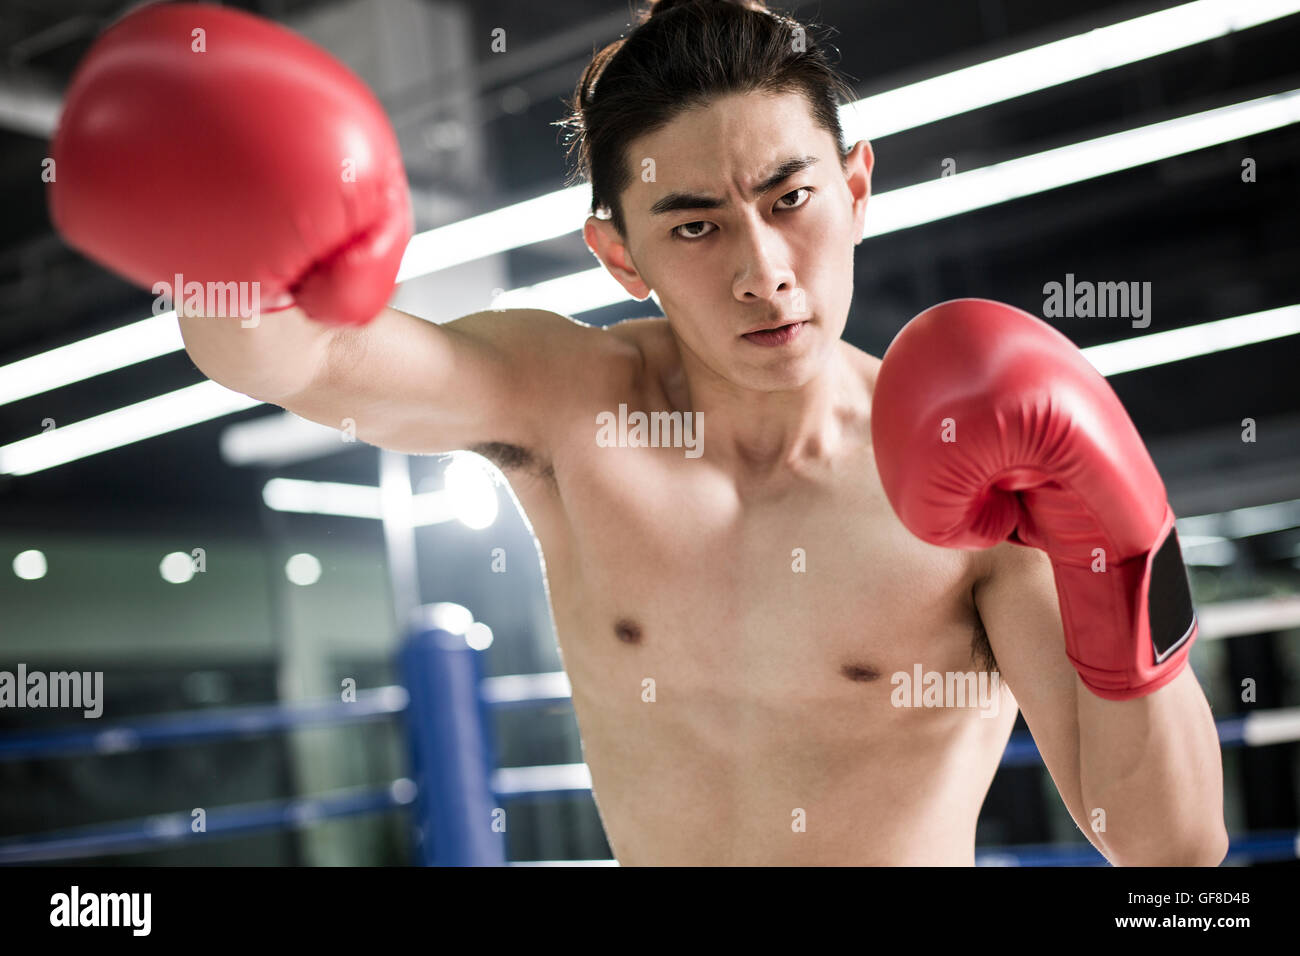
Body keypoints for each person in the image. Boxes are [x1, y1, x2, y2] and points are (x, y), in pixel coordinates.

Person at [50, 0, 1228, 865]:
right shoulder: (568, 399)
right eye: (698, 225)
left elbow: (1168, 846)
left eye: (790, 198)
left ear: (858, 184)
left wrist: (1124, 546)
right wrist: (225, 256)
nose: (766, 271)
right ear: (618, 252)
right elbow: (312, 360)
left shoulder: (975, 482)